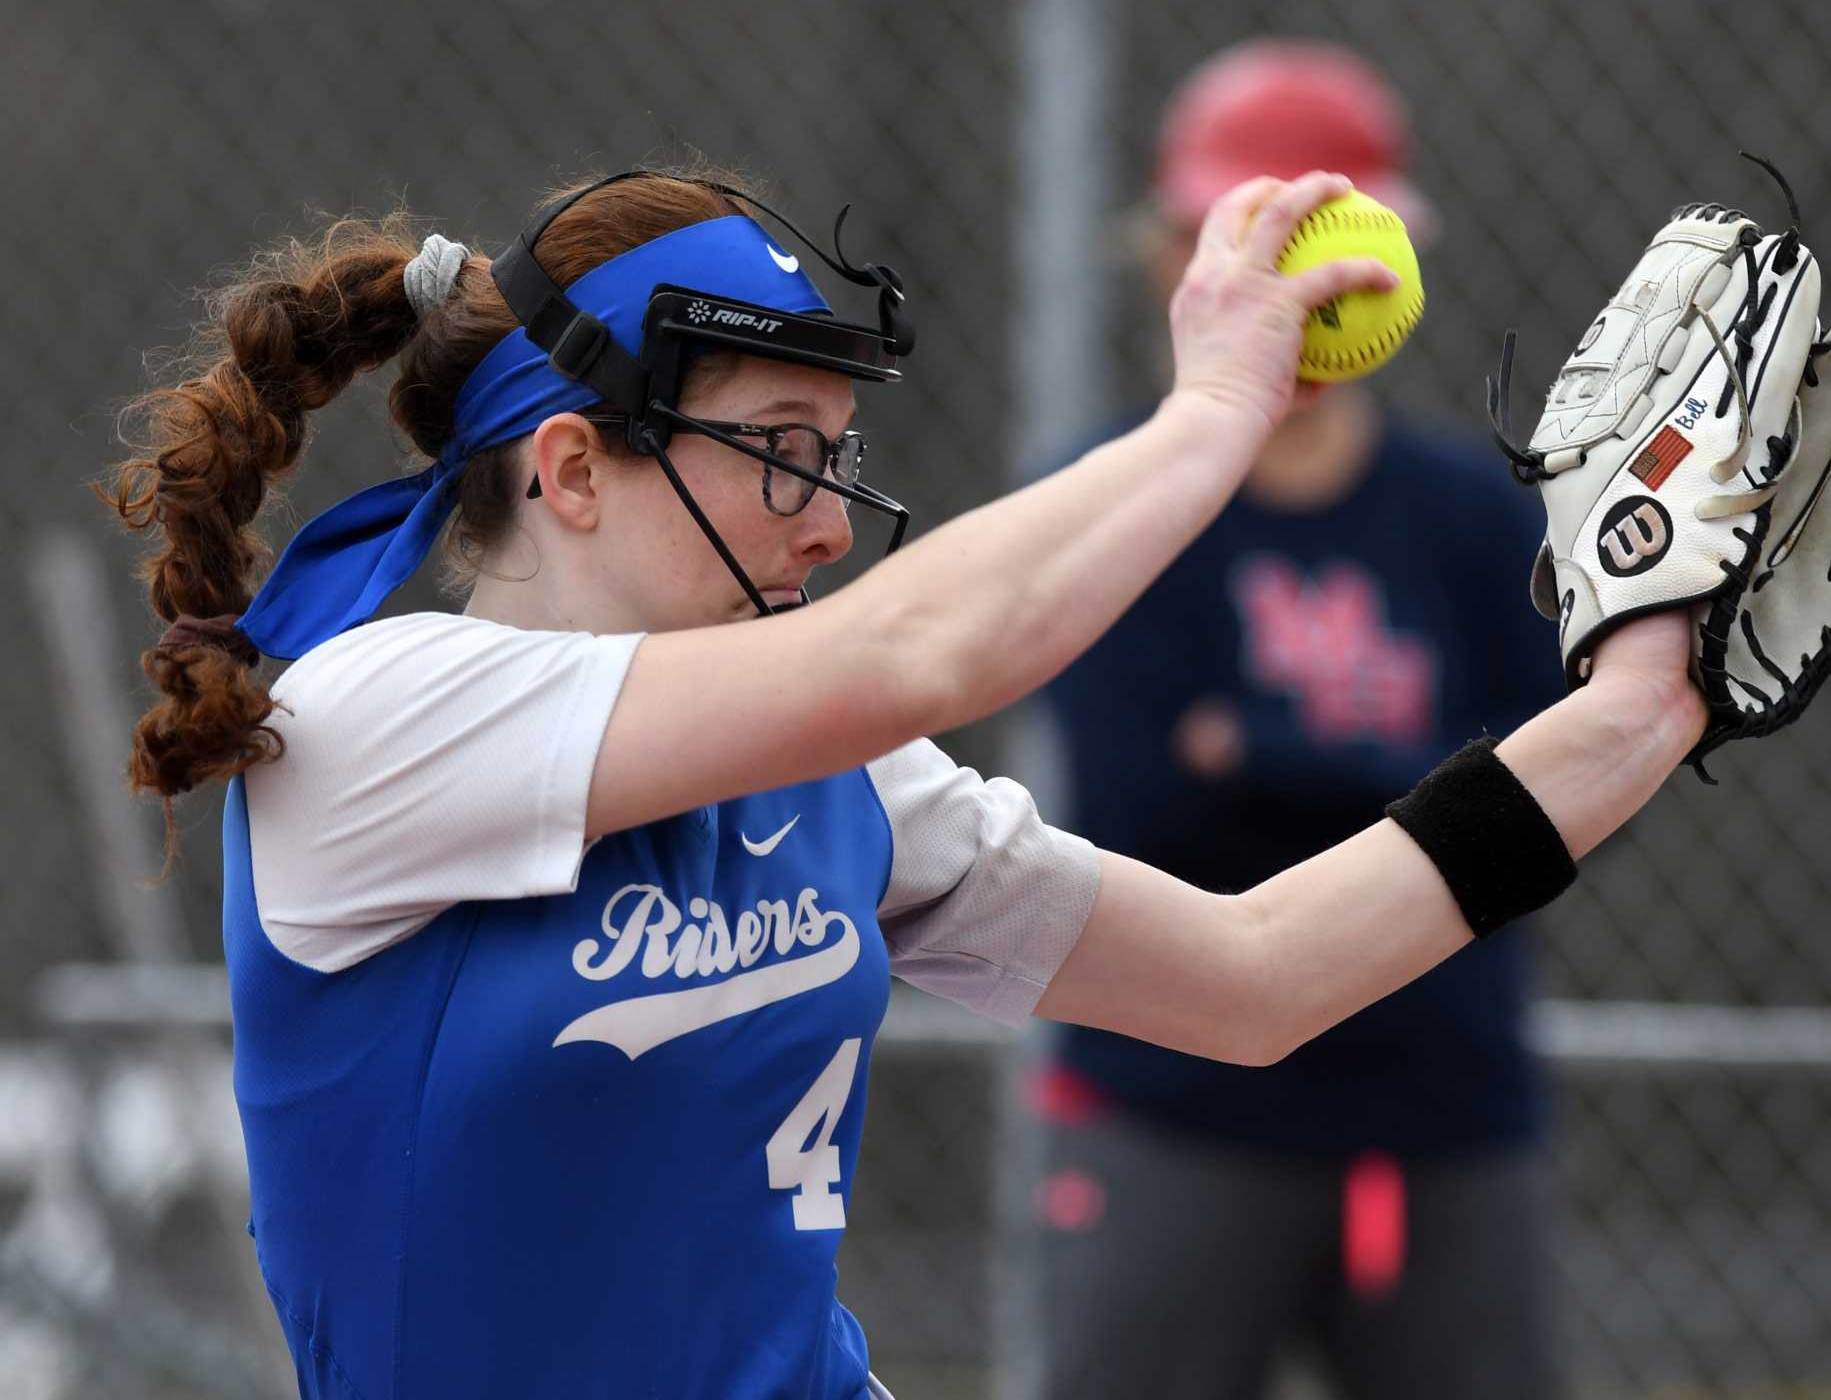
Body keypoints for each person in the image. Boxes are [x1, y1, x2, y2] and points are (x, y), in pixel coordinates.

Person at [104, 160, 1703, 1400]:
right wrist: (1217, 414)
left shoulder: (839, 780)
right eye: (783, 447)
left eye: (840, 457)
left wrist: (1643, 708)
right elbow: (923, 650)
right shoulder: (376, 721)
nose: (826, 517)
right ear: (574, 467)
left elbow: (1260, 977)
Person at [1029, 41, 1563, 1400]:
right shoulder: (1106, 498)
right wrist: (1426, 782)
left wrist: (1257, 749)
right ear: (1172, 262)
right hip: (1173, 1108)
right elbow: (1146, 808)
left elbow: (1550, 808)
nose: (1295, 291)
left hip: (1444, 1110)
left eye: (1326, 250)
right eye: (1243, 242)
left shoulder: (1472, 519)